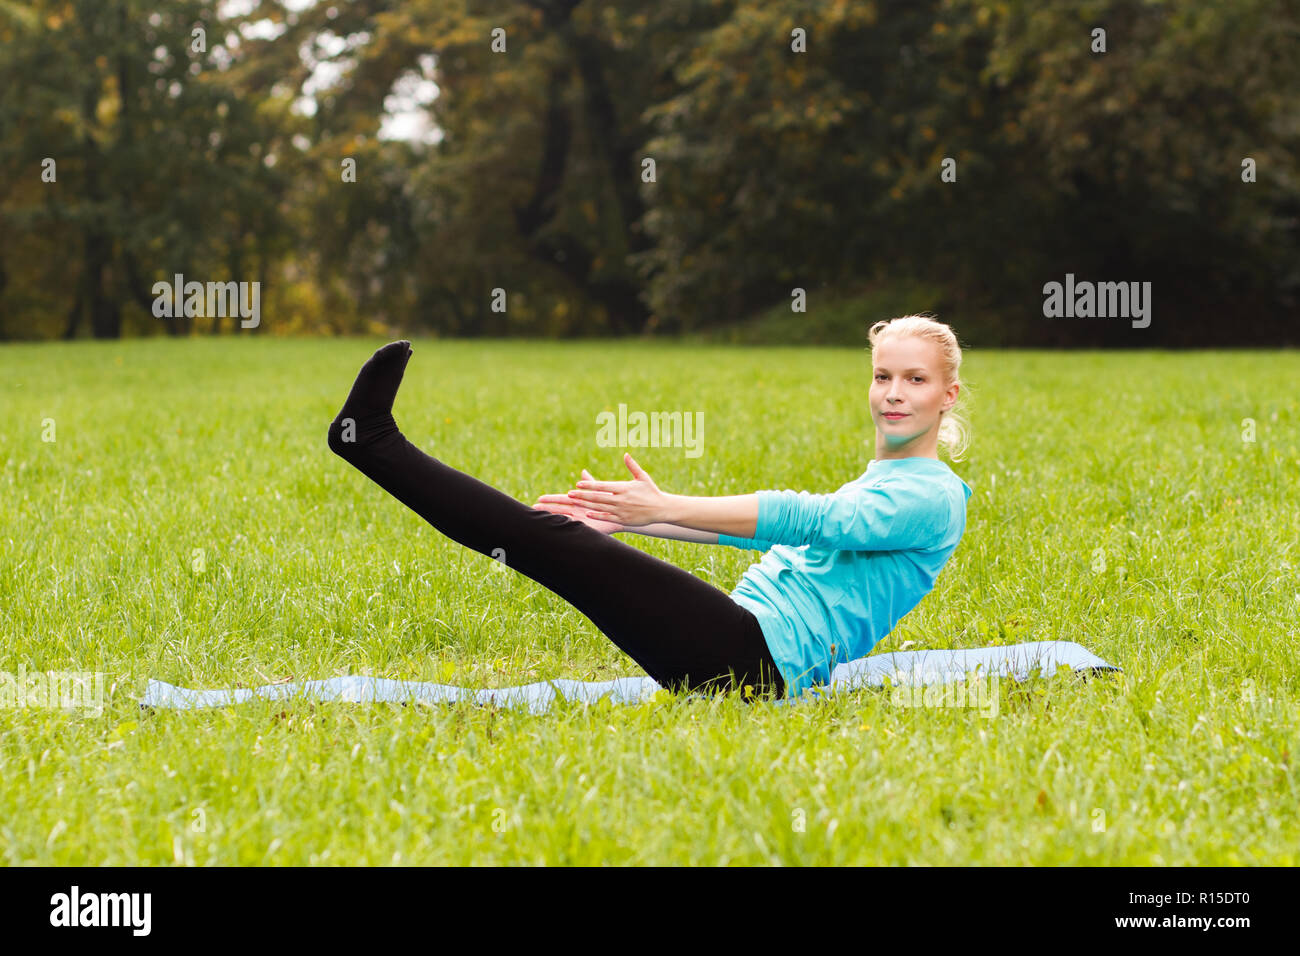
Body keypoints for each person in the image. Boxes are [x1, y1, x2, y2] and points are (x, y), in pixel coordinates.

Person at [327, 314, 972, 703]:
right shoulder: (891, 480)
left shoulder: (934, 496)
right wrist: (637, 519)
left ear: (948, 395)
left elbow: (811, 520)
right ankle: (374, 443)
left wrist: (664, 503)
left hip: (755, 663)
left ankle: (373, 442)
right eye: (882, 376)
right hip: (739, 642)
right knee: (551, 538)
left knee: (540, 541)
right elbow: (773, 541)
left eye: (914, 380)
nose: (893, 394)